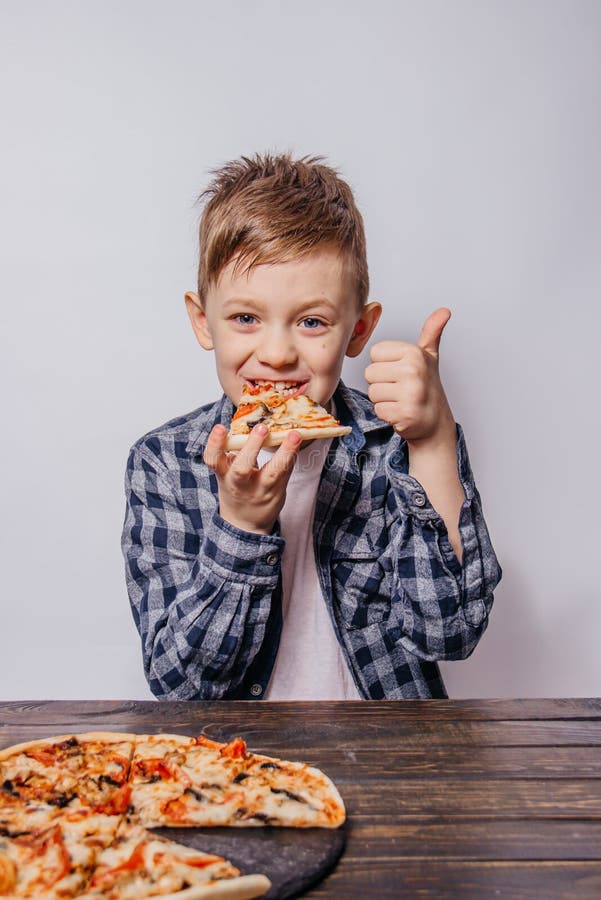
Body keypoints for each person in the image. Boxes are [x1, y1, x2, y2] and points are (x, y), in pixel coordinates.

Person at [122, 152, 502, 701]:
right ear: (203, 322)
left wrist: (435, 440)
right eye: (246, 318)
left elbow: (450, 631)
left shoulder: (395, 447)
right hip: (238, 772)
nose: (276, 354)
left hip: (386, 769)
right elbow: (183, 688)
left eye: (311, 321)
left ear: (358, 330)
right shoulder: (162, 462)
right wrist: (241, 528)